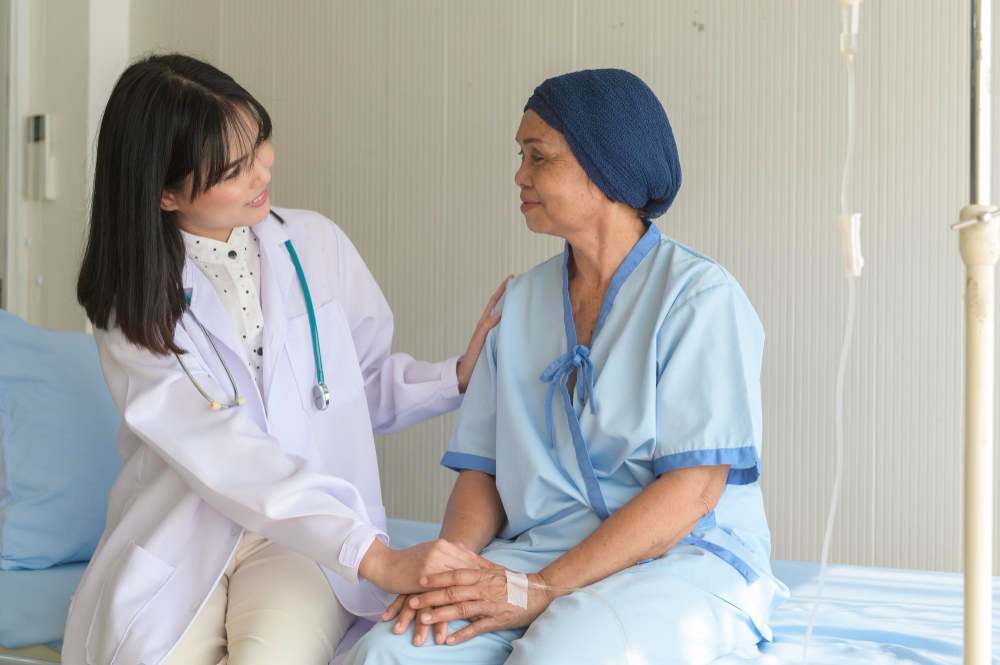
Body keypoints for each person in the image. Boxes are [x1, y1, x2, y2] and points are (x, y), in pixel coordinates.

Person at [63, 54, 505, 665]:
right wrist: (377, 556)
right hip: (185, 535)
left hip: (306, 540)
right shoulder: (133, 305)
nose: (261, 171)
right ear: (165, 193)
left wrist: (454, 376)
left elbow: (357, 388)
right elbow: (219, 449)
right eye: (232, 168)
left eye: (259, 143)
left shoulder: (316, 244)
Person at [344, 68, 789, 665]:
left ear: (606, 167)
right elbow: (484, 472)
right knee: (390, 653)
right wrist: (449, 573)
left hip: (678, 559)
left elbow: (693, 491)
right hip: (536, 552)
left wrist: (543, 591)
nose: (519, 176)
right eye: (521, 156)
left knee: (561, 651)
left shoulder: (698, 299)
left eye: (539, 157)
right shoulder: (522, 302)